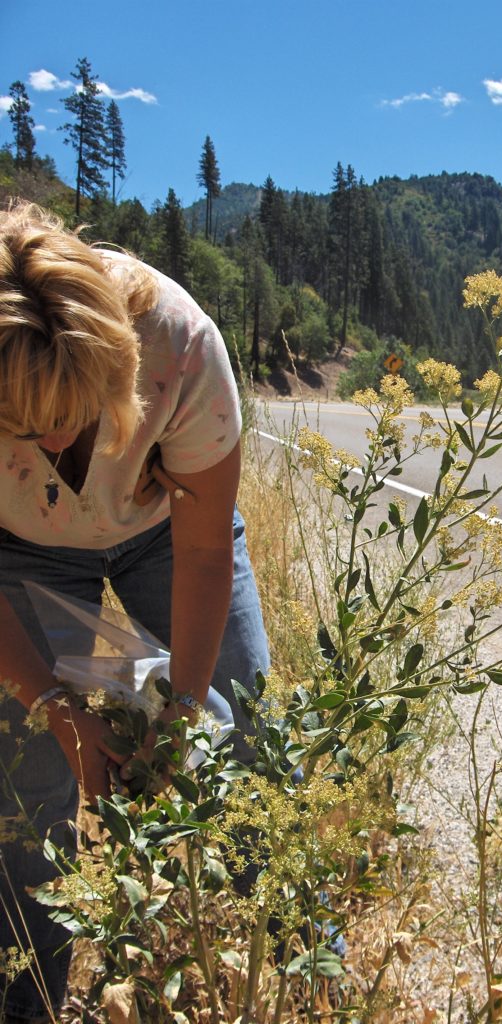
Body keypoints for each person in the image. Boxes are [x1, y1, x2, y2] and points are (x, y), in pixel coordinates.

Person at [0, 200, 269, 1022]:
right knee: (26, 782)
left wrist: (182, 709)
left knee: (246, 722)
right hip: (21, 547)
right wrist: (55, 708)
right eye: (21, 426)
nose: (53, 446)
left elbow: (203, 552)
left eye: (71, 416)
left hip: (165, 534)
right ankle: (28, 998)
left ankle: (282, 946)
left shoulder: (177, 344)